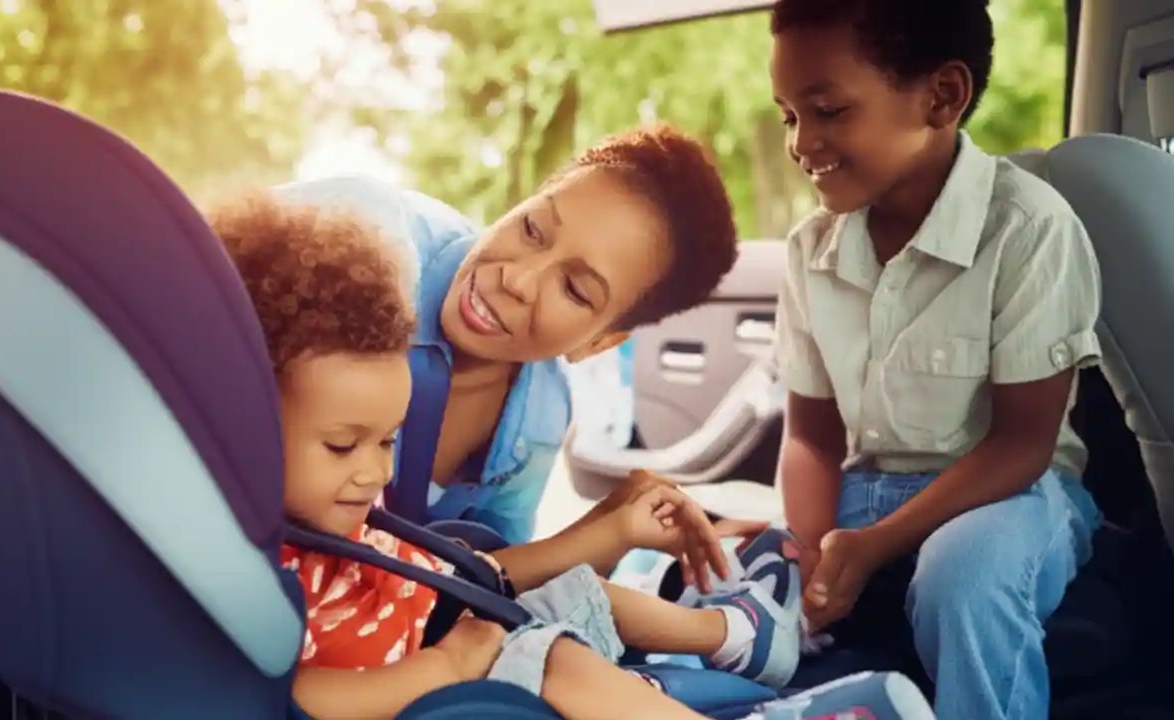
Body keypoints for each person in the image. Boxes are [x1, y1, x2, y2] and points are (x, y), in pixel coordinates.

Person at [205, 190, 936, 720]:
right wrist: (446, 665)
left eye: (389, 442)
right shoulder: (258, 569)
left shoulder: (353, 527)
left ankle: (741, 659)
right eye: (344, 446)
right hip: (416, 681)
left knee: (550, 626)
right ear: (241, 419)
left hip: (435, 634)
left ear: (599, 343)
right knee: (543, 657)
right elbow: (286, 694)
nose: (382, 473)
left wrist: (607, 536)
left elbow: (476, 572)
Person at [714, 1, 1103, 718]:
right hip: (868, 490)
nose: (802, 143)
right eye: (788, 116)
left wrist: (871, 548)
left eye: (827, 110)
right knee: (737, 569)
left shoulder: (1029, 229)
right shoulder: (811, 248)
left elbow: (1022, 444)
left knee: (965, 577)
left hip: (1009, 492)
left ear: (941, 97)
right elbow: (811, 436)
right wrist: (809, 553)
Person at [276, 124, 742, 593]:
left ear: (598, 343)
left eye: (575, 290)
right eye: (533, 229)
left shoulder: (537, 419)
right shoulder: (359, 234)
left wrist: (609, 526)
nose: (517, 280)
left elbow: (475, 581)